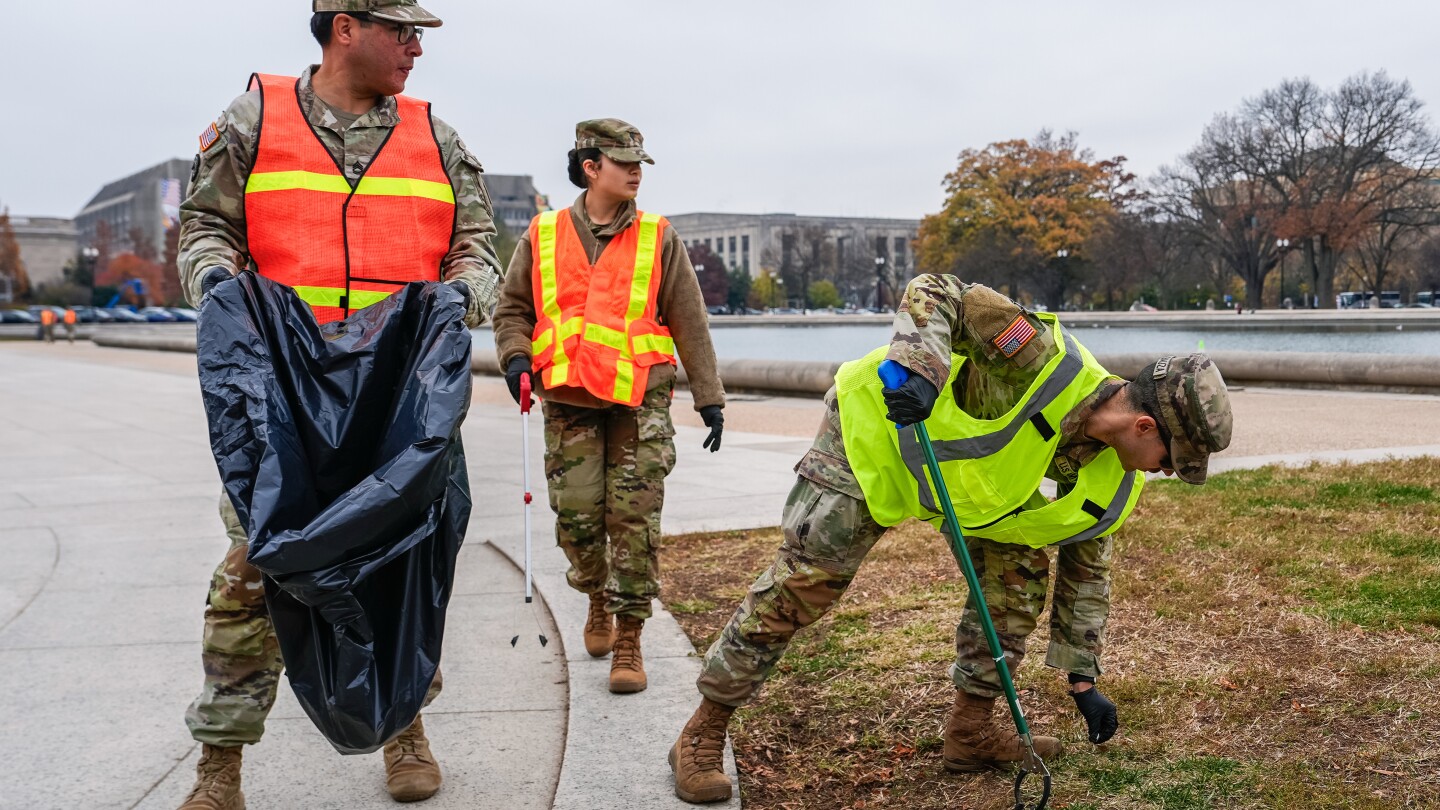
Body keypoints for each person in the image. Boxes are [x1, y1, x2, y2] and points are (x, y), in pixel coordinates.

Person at [668, 275, 1233, 804]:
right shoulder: (1038, 355)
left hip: (959, 492)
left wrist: (1082, 680)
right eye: (1171, 459)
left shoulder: (1115, 476)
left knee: (1017, 584)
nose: (1164, 472)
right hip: (874, 440)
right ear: (1144, 426)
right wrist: (921, 371)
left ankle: (970, 733)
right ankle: (701, 732)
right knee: (804, 585)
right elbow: (936, 289)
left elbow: (1088, 570)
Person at [175, 2, 503, 807]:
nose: (416, 49)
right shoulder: (254, 120)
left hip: (401, 404)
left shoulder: (439, 138)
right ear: (344, 27)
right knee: (256, 571)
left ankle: (404, 731)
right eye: (403, 30)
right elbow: (203, 228)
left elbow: (479, 244)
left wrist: (460, 298)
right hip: (283, 399)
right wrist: (220, 291)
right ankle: (220, 767)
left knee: (401, 569)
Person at [491, 119, 726, 696]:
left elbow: (689, 319)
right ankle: (594, 593)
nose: (636, 171)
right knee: (575, 517)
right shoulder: (542, 234)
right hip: (568, 398)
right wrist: (516, 358)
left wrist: (709, 395)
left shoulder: (657, 236)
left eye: (641, 162)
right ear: (590, 166)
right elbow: (513, 309)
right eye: (625, 162)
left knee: (634, 518)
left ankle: (629, 635)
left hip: (638, 401)